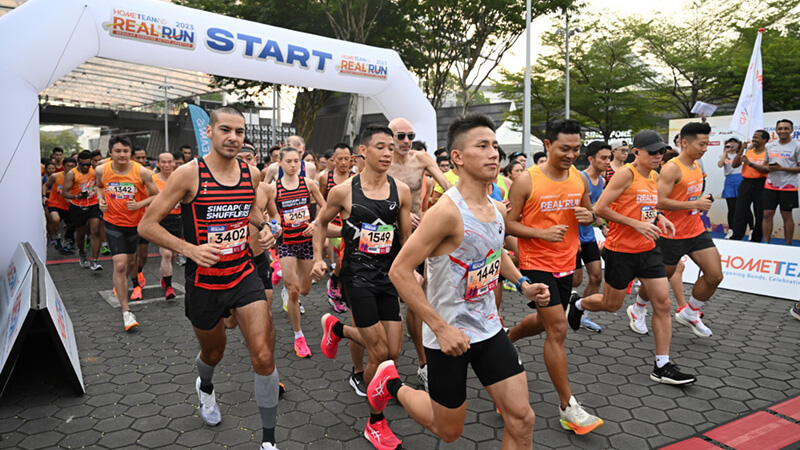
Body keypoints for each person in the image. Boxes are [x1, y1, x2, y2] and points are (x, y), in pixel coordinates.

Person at [366, 114, 546, 448]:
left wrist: (523, 283)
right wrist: (440, 328)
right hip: (448, 334)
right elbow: (399, 271)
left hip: (488, 327)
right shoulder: (446, 213)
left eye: (495, 146)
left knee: (522, 420)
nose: (493, 153)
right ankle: (390, 383)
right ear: (458, 157)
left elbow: (494, 252)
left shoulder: (497, 208)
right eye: (482, 146)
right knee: (448, 431)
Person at [138, 106, 281, 450]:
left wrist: (265, 228)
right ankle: (205, 386)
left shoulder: (251, 173)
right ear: (210, 132)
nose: (233, 137)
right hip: (204, 283)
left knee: (263, 355)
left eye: (239, 132)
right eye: (225, 130)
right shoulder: (189, 175)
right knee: (214, 352)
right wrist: (189, 249)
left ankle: (269, 441)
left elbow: (249, 211)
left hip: (243, 274)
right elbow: (147, 225)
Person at [566, 129, 697, 386]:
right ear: (636, 152)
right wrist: (636, 224)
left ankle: (662, 365)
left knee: (663, 304)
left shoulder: (654, 176)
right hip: (621, 251)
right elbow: (600, 209)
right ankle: (578, 304)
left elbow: (647, 206)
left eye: (661, 151)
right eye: (653, 151)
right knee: (611, 304)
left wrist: (660, 217)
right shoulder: (626, 174)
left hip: (649, 250)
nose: (658, 155)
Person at [312, 124, 412, 450]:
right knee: (380, 353)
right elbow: (321, 223)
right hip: (357, 277)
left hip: (388, 277)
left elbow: (405, 239)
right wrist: (318, 258)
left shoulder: (401, 191)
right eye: (380, 147)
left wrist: (412, 270)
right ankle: (375, 422)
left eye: (391, 147)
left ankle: (337, 330)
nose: (387, 153)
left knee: (393, 351)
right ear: (363, 152)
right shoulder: (343, 192)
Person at [505, 119, 604, 434]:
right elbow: (508, 224)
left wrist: (592, 216)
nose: (571, 154)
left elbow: (588, 213)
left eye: (576, 149)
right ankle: (568, 407)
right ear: (547, 145)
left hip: (566, 260)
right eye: (564, 148)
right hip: (536, 262)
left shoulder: (579, 179)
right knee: (558, 328)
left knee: (546, 321)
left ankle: (507, 339)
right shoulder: (526, 180)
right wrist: (541, 234)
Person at [387, 117, 452, 391]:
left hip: (415, 238)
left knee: (415, 299)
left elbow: (448, 188)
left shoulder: (422, 159)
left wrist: (431, 215)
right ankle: (385, 362)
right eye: (400, 136)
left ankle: (424, 364)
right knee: (391, 302)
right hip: (386, 236)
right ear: (390, 138)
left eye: (410, 136)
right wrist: (400, 214)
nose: (406, 141)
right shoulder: (382, 162)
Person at [268, 146, 326, 358]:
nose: (293, 165)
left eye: (296, 161)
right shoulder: (274, 188)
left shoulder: (308, 184)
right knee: (294, 291)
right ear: (280, 163)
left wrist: (315, 222)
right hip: (286, 243)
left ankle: (283, 278)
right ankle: (298, 336)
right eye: (288, 161)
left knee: (304, 290)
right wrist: (274, 226)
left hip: (306, 242)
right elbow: (269, 214)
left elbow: (325, 207)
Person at [96, 137, 159, 331]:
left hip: (135, 224)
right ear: (110, 152)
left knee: (131, 262)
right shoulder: (101, 170)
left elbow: (157, 194)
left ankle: (125, 282)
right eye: (118, 151)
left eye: (125, 151)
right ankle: (126, 312)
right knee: (120, 264)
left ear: (130, 152)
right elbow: (99, 186)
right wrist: (100, 200)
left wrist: (139, 204)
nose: (122, 155)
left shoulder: (141, 172)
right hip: (113, 222)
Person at [573, 141, 611, 332]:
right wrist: (573, 238)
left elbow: (595, 209)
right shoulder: (581, 178)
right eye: (603, 158)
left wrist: (602, 226)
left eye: (609, 158)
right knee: (575, 281)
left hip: (588, 236)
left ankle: (581, 314)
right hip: (573, 237)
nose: (607, 162)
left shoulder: (602, 182)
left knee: (596, 277)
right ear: (591, 159)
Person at [315, 143, 352, 314]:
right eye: (339, 159)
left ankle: (336, 285)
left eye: (347, 159)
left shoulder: (356, 177)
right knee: (345, 257)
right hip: (332, 225)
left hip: (349, 225)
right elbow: (321, 201)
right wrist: (320, 221)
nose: (343, 162)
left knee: (346, 260)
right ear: (333, 160)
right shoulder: (325, 178)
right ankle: (336, 282)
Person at [62, 150, 103, 270]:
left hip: (93, 204)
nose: (85, 167)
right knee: (81, 234)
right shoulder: (72, 174)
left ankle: (95, 261)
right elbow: (64, 193)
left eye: (88, 164)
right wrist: (77, 196)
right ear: (77, 163)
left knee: (95, 230)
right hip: (78, 206)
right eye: (82, 164)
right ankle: (82, 253)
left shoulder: (95, 171)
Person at [763, 119, 800, 245]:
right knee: (767, 214)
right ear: (776, 130)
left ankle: (788, 245)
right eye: (780, 129)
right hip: (770, 185)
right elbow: (765, 165)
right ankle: (766, 244)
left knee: (786, 215)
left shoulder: (797, 146)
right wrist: (767, 168)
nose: (782, 131)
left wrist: (782, 168)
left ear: (792, 130)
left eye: (786, 128)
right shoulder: (769, 146)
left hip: (789, 186)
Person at [151, 151, 183, 300]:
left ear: (174, 163)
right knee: (167, 254)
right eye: (163, 162)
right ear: (157, 164)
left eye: (170, 162)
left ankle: (165, 276)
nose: (167, 165)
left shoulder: (180, 178)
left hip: (177, 220)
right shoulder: (153, 180)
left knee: (173, 255)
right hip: (160, 220)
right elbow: (147, 199)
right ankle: (169, 287)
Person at [730, 130, 769, 241]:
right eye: (753, 137)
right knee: (740, 211)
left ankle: (756, 238)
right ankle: (737, 236)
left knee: (759, 213)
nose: (754, 139)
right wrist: (741, 150)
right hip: (746, 183)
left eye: (757, 137)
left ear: (765, 140)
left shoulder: (768, 153)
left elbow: (766, 170)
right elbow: (734, 165)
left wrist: (750, 164)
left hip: (761, 184)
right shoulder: (748, 152)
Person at [44, 157, 77, 253]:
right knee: (55, 219)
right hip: (55, 202)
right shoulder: (55, 176)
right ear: (63, 166)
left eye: (72, 166)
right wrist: (43, 196)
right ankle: (57, 236)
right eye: (68, 166)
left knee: (71, 225)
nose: (70, 168)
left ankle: (68, 240)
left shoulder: (77, 177)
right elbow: (46, 185)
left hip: (69, 204)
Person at [131, 147, 151, 295]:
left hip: (144, 220)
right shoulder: (122, 174)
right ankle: (134, 285)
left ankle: (139, 271)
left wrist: (140, 205)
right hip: (125, 222)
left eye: (143, 158)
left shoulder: (147, 174)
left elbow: (155, 195)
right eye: (138, 158)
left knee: (143, 256)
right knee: (130, 257)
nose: (141, 161)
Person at [718, 138, 749, 234]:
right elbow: (720, 165)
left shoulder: (742, 154)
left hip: (741, 180)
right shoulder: (724, 156)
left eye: (735, 142)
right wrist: (725, 152)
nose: (732, 144)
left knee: (745, 208)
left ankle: (751, 230)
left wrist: (743, 148)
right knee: (731, 208)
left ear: (739, 144)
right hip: (729, 181)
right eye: (730, 142)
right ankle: (731, 230)